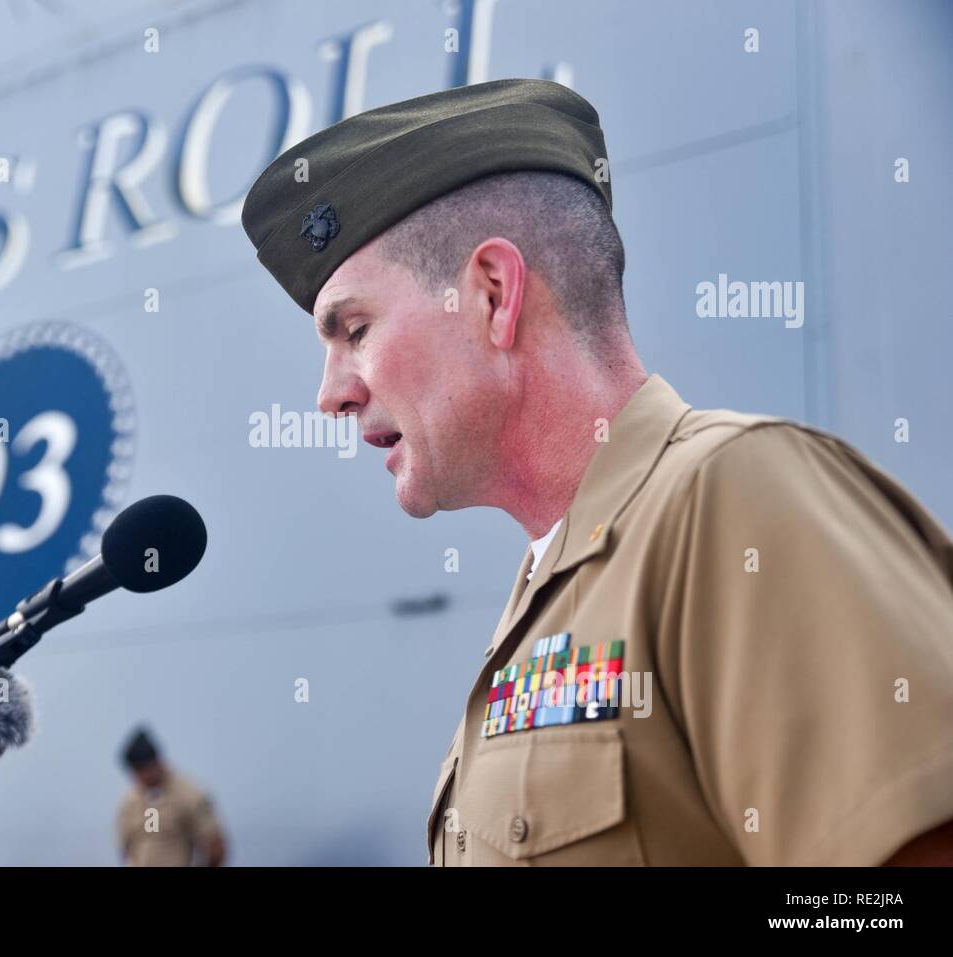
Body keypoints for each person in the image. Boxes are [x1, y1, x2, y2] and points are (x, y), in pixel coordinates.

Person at [239, 78, 953, 866]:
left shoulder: (727, 497)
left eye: (355, 329)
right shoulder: (553, 592)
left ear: (492, 294)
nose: (330, 395)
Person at [115, 727, 226, 866]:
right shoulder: (130, 801)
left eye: (145, 769)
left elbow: (216, 847)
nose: (142, 777)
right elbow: (126, 848)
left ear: (156, 762)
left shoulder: (189, 795)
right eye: (137, 771)